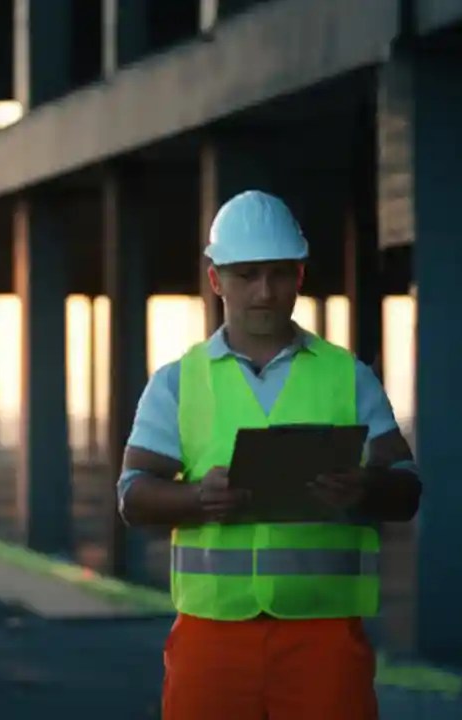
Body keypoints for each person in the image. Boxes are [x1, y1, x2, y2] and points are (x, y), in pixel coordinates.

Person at [117, 190, 422, 719]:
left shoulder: (347, 377)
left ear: (300, 275)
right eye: (247, 275)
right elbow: (132, 495)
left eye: (280, 274)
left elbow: (407, 487)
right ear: (216, 280)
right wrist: (197, 498)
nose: (265, 291)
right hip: (212, 640)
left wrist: (366, 487)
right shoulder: (178, 383)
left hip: (325, 639)